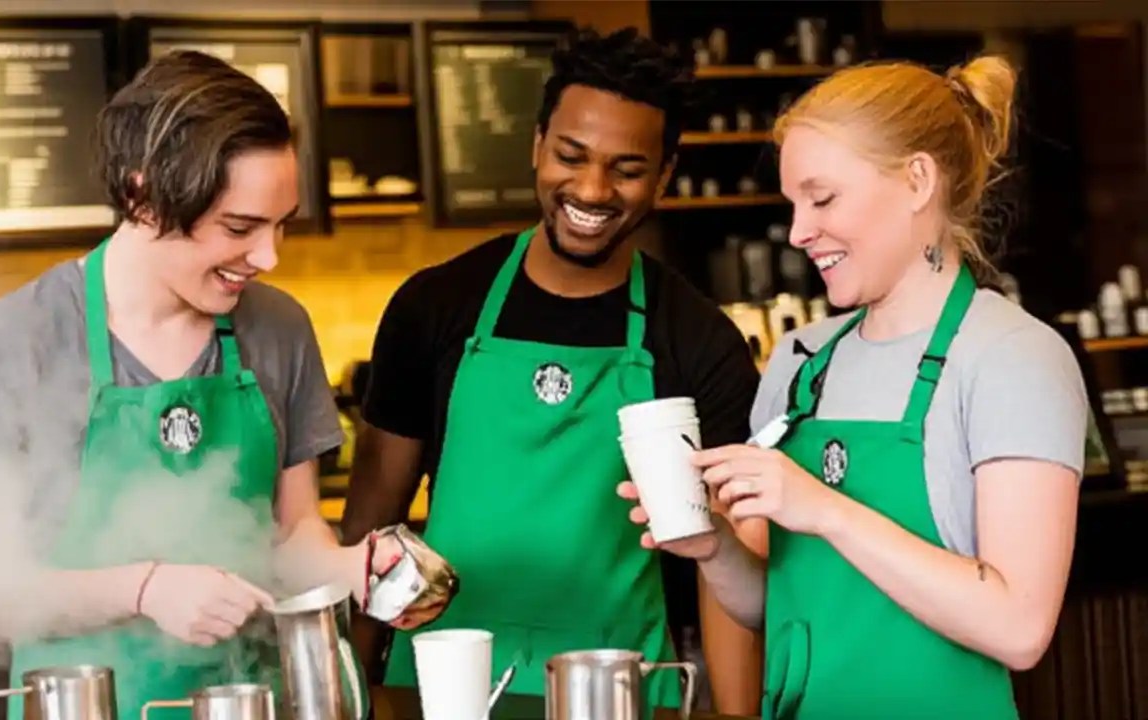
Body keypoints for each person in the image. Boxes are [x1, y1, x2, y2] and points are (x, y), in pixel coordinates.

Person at [0, 51, 442, 720]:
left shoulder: (278, 328)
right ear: (143, 197)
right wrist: (144, 589)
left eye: (281, 224)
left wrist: (356, 569)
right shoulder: (18, 339)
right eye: (239, 227)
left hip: (256, 703)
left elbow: (292, 535)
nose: (268, 256)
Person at [620, 55, 1088, 719]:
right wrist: (713, 545)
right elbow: (776, 603)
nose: (799, 232)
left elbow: (1019, 627)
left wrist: (824, 508)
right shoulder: (800, 361)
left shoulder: (1014, 358)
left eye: (823, 198)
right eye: (794, 204)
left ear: (917, 180)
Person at [339, 27, 761, 708]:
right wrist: (352, 701)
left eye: (627, 169)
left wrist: (737, 716)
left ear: (665, 173)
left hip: (620, 693)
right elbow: (370, 535)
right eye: (571, 155)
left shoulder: (699, 340)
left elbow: (723, 565)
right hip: (445, 692)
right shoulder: (435, 307)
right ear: (537, 145)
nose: (592, 189)